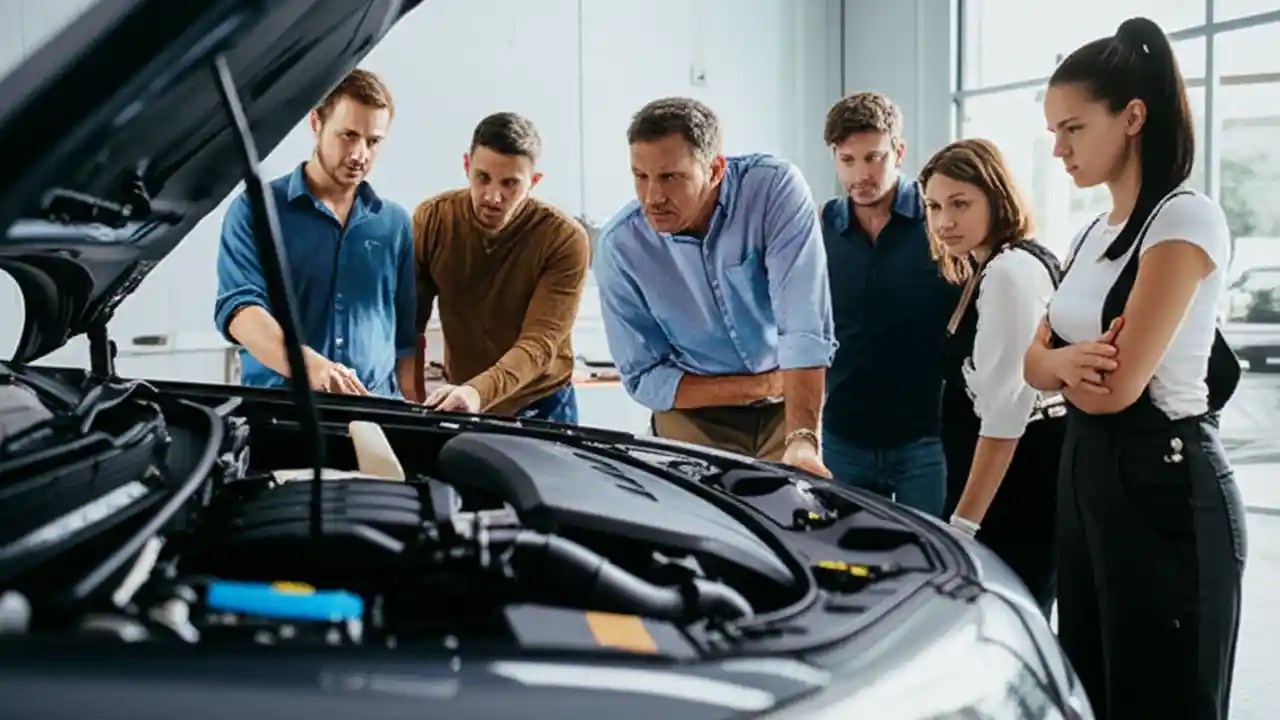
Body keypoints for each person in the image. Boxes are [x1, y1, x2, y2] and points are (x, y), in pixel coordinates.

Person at [1025, 17, 1245, 720]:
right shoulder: (1093, 235)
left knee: (1164, 700)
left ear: (1132, 117)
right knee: (1090, 689)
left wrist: (1064, 367)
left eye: (1072, 128)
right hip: (1087, 484)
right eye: (1053, 132)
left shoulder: (1186, 219)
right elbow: (1032, 363)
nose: (1057, 148)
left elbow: (1117, 389)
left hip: (1167, 492)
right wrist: (1065, 363)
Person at [596, 97, 836, 475]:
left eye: (670, 177)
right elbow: (644, 377)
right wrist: (758, 386)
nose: (652, 198)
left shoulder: (774, 191)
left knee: (793, 510)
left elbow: (804, 326)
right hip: (696, 409)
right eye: (640, 177)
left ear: (715, 169)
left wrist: (803, 439)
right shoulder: (620, 247)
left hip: (788, 398)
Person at [920, 138, 1065, 616]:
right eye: (935, 206)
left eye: (960, 204)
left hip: (1012, 498)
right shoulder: (994, 267)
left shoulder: (1008, 273)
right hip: (1008, 490)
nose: (944, 222)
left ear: (997, 197)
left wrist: (963, 527)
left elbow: (1006, 414)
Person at [214, 69, 416, 398]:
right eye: (348, 135)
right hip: (284, 415)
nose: (359, 154)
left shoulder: (395, 223)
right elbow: (241, 312)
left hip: (377, 413)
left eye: (373, 141)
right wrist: (315, 369)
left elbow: (404, 340)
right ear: (316, 124)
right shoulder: (257, 210)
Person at [818, 92, 960, 516]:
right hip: (844, 436)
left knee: (932, 563)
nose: (860, 174)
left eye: (873, 158)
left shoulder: (940, 221)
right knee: (847, 558)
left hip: (926, 438)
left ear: (899, 151)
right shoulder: (823, 224)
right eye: (847, 160)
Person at [408, 112, 589, 422]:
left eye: (510, 184)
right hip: (462, 395)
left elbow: (540, 343)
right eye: (482, 178)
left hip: (542, 404)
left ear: (534, 182)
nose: (493, 196)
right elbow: (410, 325)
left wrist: (477, 392)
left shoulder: (563, 239)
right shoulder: (434, 219)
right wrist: (411, 397)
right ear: (467, 166)